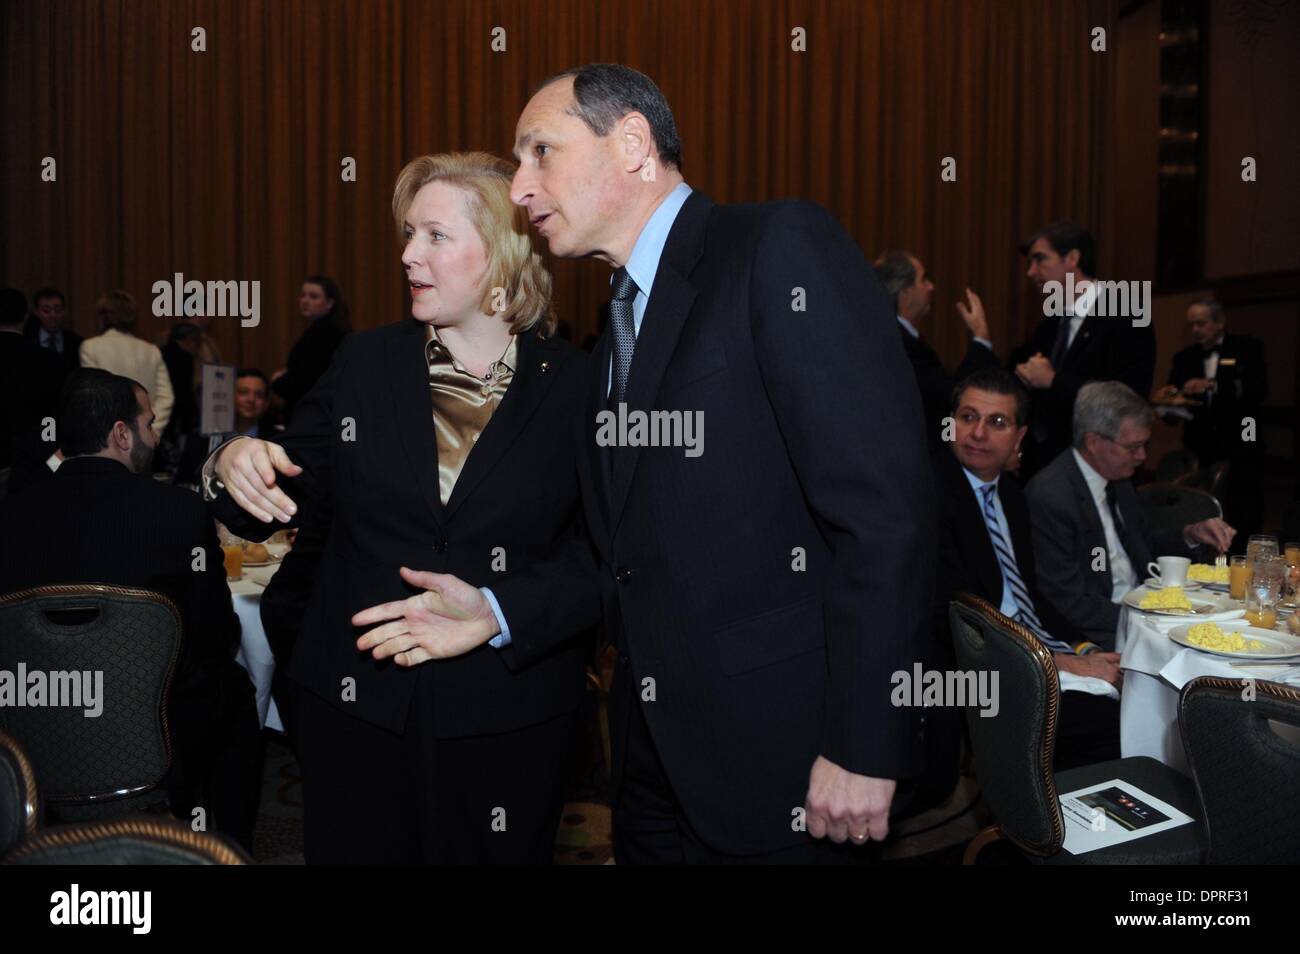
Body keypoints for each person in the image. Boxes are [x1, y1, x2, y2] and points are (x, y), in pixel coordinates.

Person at [349, 64, 934, 863]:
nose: (520, 187)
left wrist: (866, 743)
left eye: (540, 151)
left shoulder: (773, 248)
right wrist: (497, 610)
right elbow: (620, 558)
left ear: (631, 143)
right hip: (652, 760)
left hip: (793, 761)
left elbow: (884, 514)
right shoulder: (615, 331)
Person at [203, 152, 592, 864]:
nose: (409, 254)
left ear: (503, 254)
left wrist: (500, 612)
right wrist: (228, 461)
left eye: (436, 235)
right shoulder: (365, 364)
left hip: (507, 716)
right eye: (409, 234)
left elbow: (609, 557)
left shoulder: (582, 387)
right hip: (356, 706)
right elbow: (271, 498)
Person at [0, 369, 261, 848]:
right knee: (235, 689)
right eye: (149, 423)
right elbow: (215, 635)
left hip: (31, 727)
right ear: (122, 434)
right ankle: (223, 848)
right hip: (153, 733)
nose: (155, 436)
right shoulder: (179, 512)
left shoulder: (10, 514)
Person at [933, 368, 1121, 771]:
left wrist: (1084, 648)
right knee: (1109, 722)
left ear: (1018, 438)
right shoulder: (931, 495)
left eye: (997, 422)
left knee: (1131, 687)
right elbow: (960, 619)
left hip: (1033, 646)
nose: (978, 433)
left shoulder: (1011, 496)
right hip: (978, 668)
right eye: (968, 417)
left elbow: (1030, 595)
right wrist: (1057, 662)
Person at [1026, 381, 1236, 649]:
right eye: (1133, 447)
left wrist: (1190, 534)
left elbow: (1142, 545)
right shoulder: (1051, 497)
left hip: (1144, 610)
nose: (1142, 456)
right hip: (1100, 633)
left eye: (1145, 445)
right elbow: (1067, 601)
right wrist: (1147, 622)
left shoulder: (1117, 478)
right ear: (1093, 442)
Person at [1012, 222, 1156, 477]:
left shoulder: (1127, 313)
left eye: (1040, 259)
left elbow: (1129, 402)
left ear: (1072, 258)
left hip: (1100, 470)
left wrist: (1053, 381)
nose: (1031, 272)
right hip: (1044, 471)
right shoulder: (1048, 325)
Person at [1162, 297, 1267, 535]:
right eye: (1191, 325)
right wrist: (1167, 406)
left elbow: (1258, 391)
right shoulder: (1183, 358)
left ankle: (1243, 553)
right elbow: (1174, 405)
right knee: (1198, 510)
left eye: (1201, 323)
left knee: (1244, 509)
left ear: (1219, 322)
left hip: (1242, 442)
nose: (1195, 330)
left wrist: (1212, 385)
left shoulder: (1247, 347)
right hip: (1200, 449)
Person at [873, 250, 998, 442]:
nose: (931, 286)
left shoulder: (896, 335)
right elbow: (954, 396)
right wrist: (981, 337)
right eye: (923, 280)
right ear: (905, 291)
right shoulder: (899, 344)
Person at [79, 290, 174, 437]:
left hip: (108, 437)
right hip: (144, 437)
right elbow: (166, 397)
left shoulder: (90, 347)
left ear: (103, 316)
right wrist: (150, 430)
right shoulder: (151, 350)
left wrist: (115, 436)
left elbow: (93, 398)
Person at [0, 288, 62, 496]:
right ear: (27, 316)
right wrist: (52, 462)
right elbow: (54, 417)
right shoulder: (48, 360)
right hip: (33, 465)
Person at [270, 276, 349, 425]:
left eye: (313, 296)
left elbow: (304, 381)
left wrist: (277, 382)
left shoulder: (323, 335)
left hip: (312, 416)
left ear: (329, 303)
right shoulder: (325, 331)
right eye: (303, 295)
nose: (305, 301)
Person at [24, 286, 83, 380]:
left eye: (58, 310)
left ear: (64, 311)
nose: (53, 315)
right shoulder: (27, 341)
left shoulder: (76, 342)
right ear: (36, 312)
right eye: (46, 311)